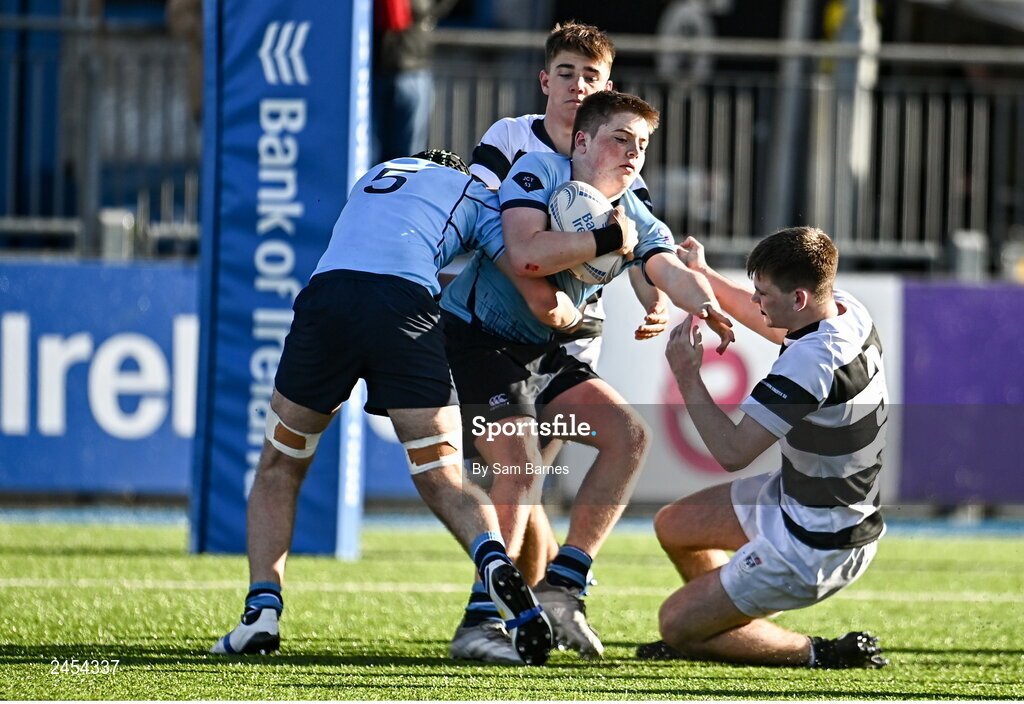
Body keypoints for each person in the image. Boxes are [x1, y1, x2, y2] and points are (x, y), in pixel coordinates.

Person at [208, 150, 588, 666]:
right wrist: (583, 298)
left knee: (280, 466)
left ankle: (261, 614)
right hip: (403, 309)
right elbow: (533, 281)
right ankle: (494, 560)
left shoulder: (375, 174)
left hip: (329, 300)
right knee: (442, 476)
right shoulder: (478, 196)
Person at [442, 91, 734, 663]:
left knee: (629, 436)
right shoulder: (537, 170)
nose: (633, 153)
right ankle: (479, 623)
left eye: (642, 145)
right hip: (480, 337)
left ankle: (562, 587)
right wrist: (607, 242)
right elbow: (525, 254)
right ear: (582, 141)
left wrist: (704, 304)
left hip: (550, 349)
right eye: (620, 139)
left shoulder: (632, 208)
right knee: (521, 468)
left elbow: (665, 266)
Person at [466, 19, 670, 601]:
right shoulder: (512, 138)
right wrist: (535, 290)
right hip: (500, 327)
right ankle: (526, 600)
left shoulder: (618, 153)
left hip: (572, 337)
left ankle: (527, 597)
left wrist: (654, 296)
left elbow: (641, 244)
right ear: (544, 81)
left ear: (607, 84)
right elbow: (484, 219)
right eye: (566, 73)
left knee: (528, 478)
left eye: (592, 75)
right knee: (522, 478)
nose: (578, 84)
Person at [636, 226, 889, 669]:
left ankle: (823, 652)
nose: (755, 301)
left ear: (798, 300)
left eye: (763, 293)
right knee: (674, 525)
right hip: (798, 500)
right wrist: (705, 275)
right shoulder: (845, 309)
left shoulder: (814, 361)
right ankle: (720, 626)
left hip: (817, 544)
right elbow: (766, 321)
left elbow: (732, 452)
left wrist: (687, 376)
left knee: (673, 625)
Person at [372, 0, 458, 162]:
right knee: (371, 149)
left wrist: (427, 14)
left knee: (409, 153)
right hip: (377, 69)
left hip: (413, 66)